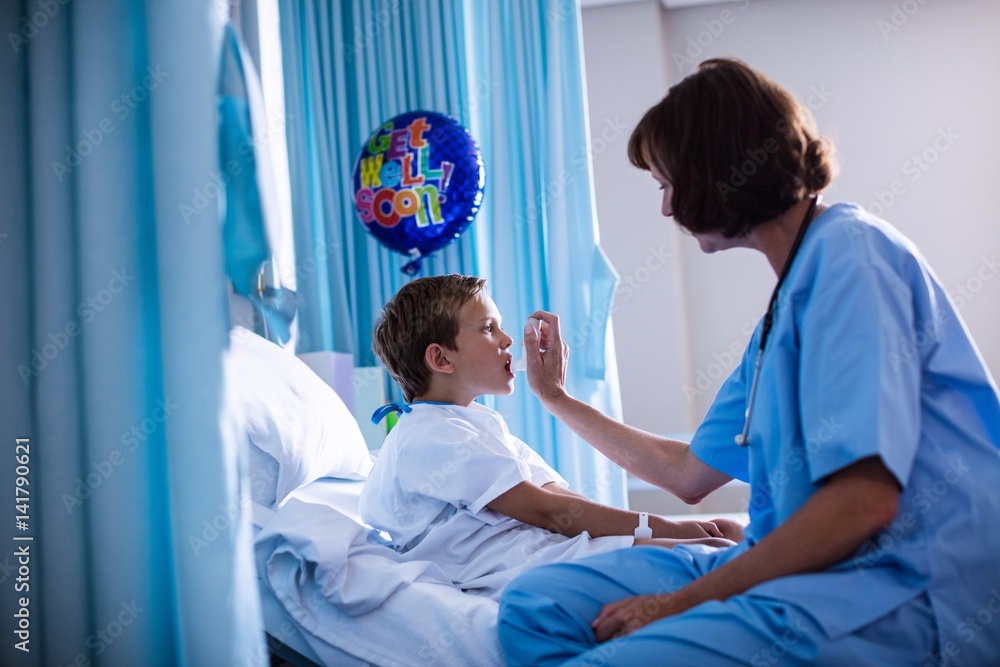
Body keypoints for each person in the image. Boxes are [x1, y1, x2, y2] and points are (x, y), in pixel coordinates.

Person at [498, 58, 1000, 665]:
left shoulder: (852, 260)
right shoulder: (782, 314)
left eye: (666, 183)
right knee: (533, 606)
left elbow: (864, 502)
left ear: (714, 171)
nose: (665, 209)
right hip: (798, 566)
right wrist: (556, 399)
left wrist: (679, 604)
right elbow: (688, 474)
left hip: (896, 583)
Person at [359, 275, 741, 600]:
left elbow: (562, 498)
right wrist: (662, 528)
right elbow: (546, 511)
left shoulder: (480, 423)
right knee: (720, 556)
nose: (508, 340)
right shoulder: (430, 434)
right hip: (537, 568)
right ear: (442, 359)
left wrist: (653, 525)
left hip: (558, 551)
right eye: (489, 329)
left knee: (730, 534)